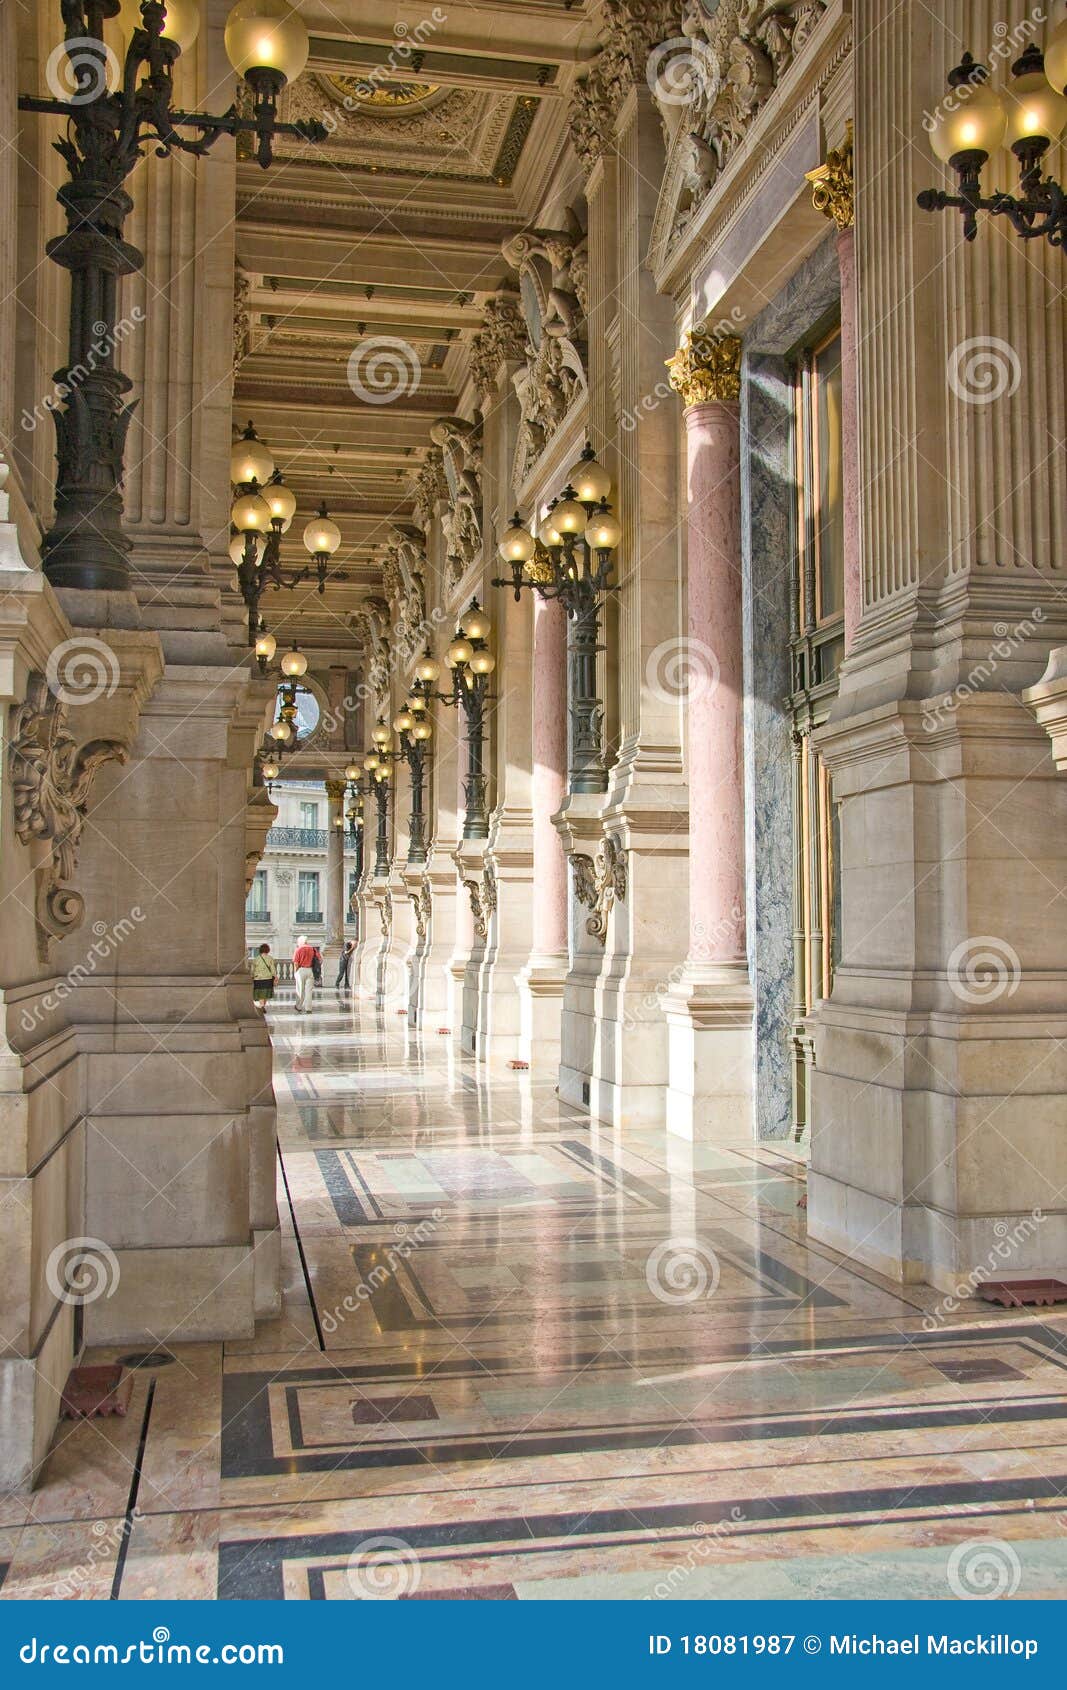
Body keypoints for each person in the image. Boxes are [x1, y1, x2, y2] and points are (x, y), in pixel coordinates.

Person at [249, 943, 277, 1011]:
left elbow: (253, 970)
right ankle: (263, 1005)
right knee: (266, 993)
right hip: (268, 978)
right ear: (268, 950)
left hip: (258, 978)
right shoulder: (270, 958)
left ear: (260, 950)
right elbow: (273, 969)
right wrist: (275, 976)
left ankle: (261, 1005)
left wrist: (252, 976)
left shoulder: (256, 959)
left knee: (260, 993)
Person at [293, 934, 316, 1013]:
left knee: (300, 990)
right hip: (310, 970)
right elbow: (320, 959)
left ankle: (299, 1007)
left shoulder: (298, 949)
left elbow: (296, 963)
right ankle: (308, 1008)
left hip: (301, 970)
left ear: (300, 942)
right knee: (309, 991)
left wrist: (295, 972)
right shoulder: (313, 949)